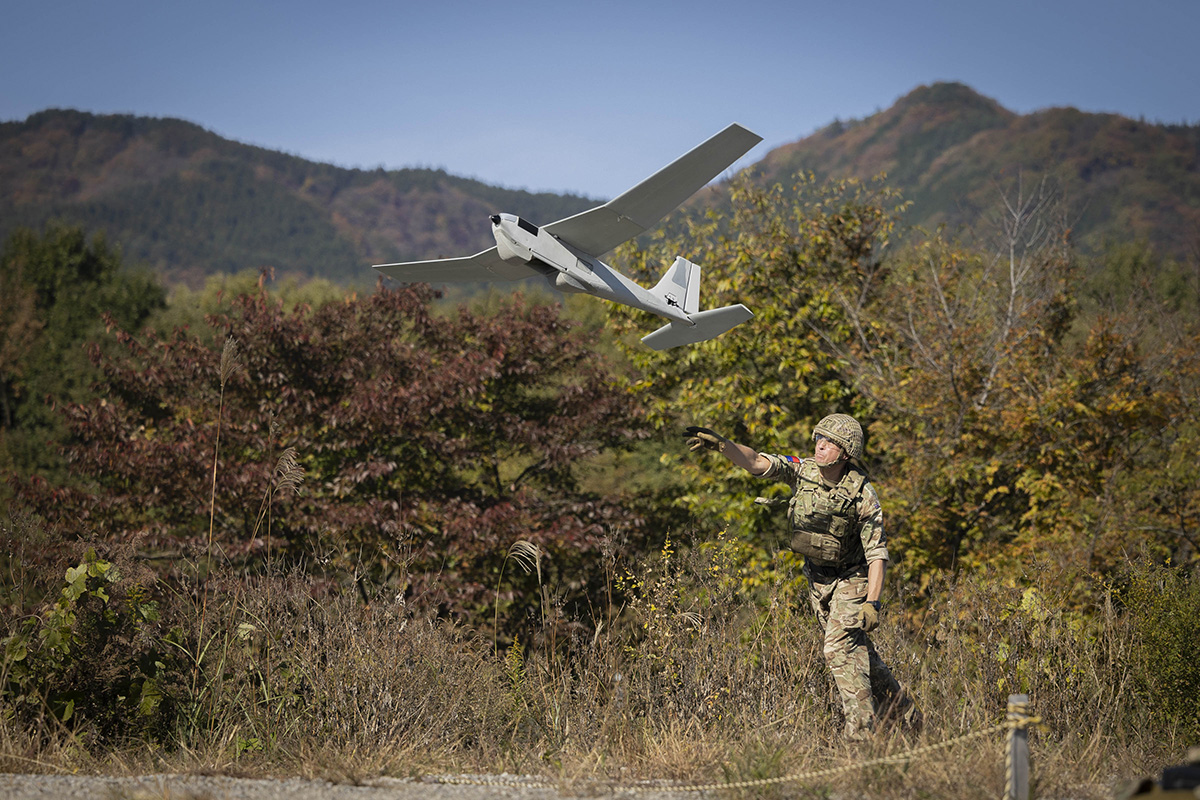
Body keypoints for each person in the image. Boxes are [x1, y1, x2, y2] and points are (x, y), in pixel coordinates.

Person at [683, 413, 918, 740]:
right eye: (819, 438)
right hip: (818, 580)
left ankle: (862, 739)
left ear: (845, 453)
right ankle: (906, 715)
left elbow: (877, 554)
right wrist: (723, 445)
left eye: (830, 442)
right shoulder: (803, 470)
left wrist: (872, 602)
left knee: (837, 650)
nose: (820, 445)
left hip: (853, 578)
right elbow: (755, 462)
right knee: (858, 653)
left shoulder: (862, 493)